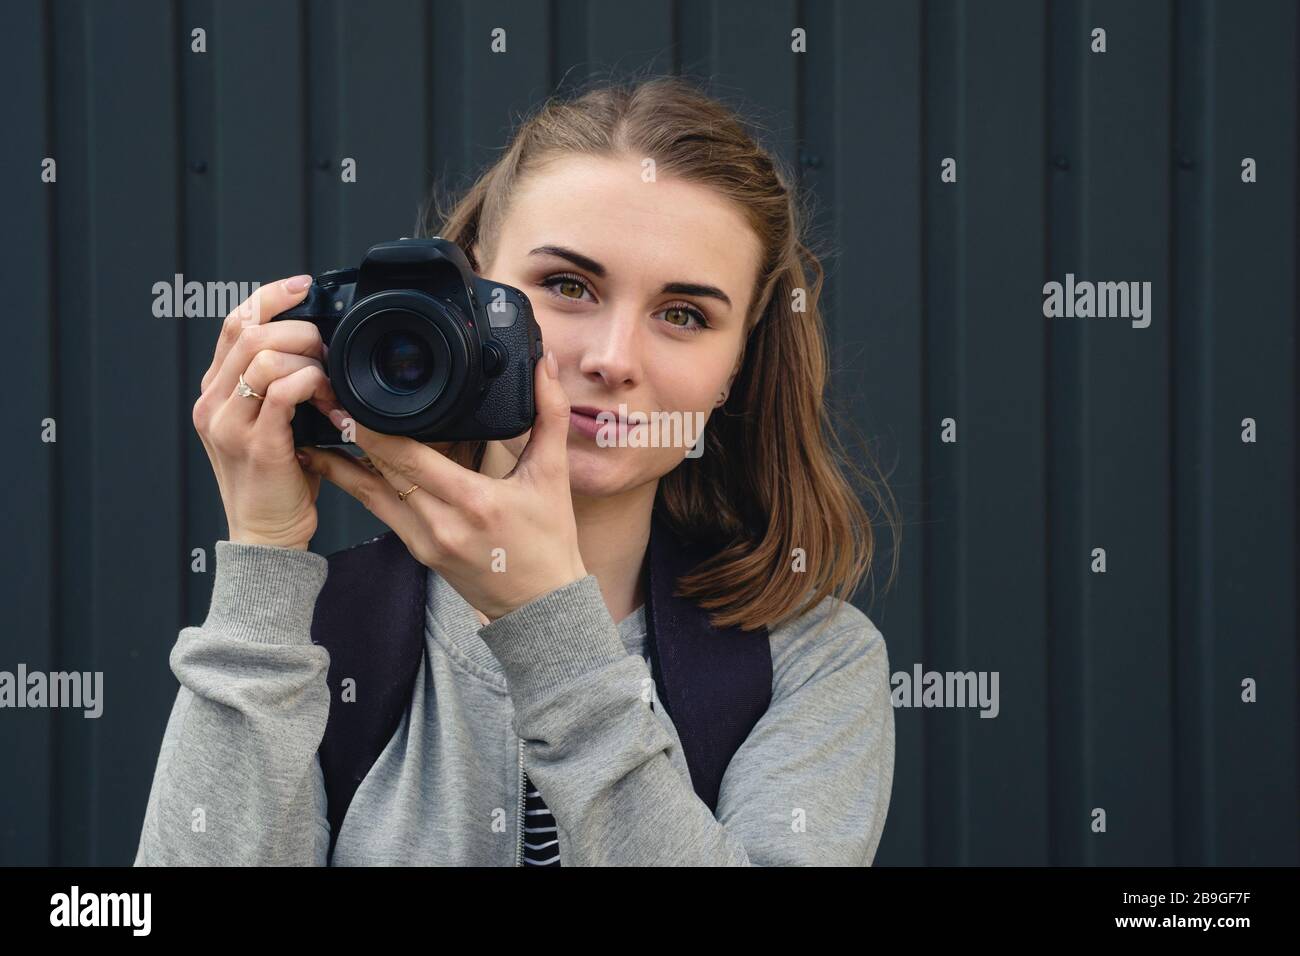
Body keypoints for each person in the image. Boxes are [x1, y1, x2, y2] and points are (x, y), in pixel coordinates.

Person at [134, 75, 899, 866]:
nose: (613, 360)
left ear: (737, 365)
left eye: (684, 315)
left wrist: (551, 633)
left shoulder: (812, 662)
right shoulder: (317, 639)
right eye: (568, 287)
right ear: (467, 296)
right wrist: (262, 559)